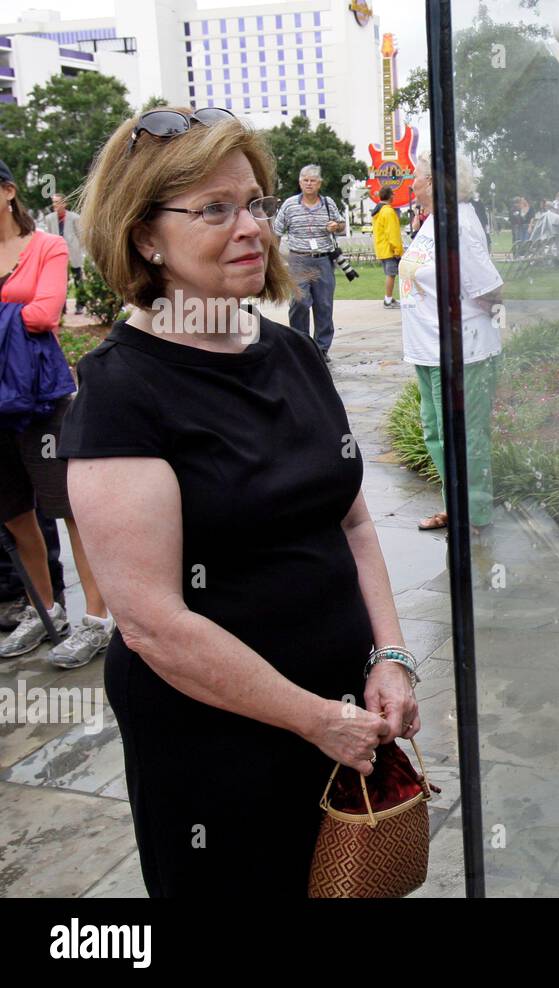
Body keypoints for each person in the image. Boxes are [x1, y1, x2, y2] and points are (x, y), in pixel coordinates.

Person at [65, 106, 418, 897]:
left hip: (339, 714)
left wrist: (391, 658)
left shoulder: (291, 352)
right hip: (216, 740)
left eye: (255, 202)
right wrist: (311, 717)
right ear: (144, 233)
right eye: (215, 209)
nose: (253, 226)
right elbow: (155, 622)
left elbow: (354, 522)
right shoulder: (122, 391)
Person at [0, 158, 112, 668]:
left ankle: (97, 619)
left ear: (8, 192)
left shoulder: (48, 245)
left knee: (70, 510)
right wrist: (12, 311)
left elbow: (45, 313)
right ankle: (44, 610)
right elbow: (26, 312)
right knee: (14, 513)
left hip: (41, 398)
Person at [400, 153, 503, 534]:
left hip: (463, 353)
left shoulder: (459, 222)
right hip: (428, 350)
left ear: (433, 181)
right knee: (436, 433)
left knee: (464, 435)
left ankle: (474, 517)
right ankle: (455, 505)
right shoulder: (434, 221)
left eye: (416, 176)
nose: (411, 182)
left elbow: (491, 289)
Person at [271, 164, 346, 361]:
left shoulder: (328, 203)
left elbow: (341, 226)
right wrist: (273, 258)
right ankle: (300, 345)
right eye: (305, 180)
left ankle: (321, 349)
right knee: (300, 303)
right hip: (299, 259)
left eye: (313, 180)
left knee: (324, 305)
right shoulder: (289, 205)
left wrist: (336, 226)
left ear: (319, 183)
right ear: (300, 182)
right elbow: (277, 232)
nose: (309, 184)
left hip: (323, 259)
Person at [40, 193, 86, 315]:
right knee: (60, 282)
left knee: (78, 280)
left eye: (57, 202)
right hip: (57, 255)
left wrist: (79, 251)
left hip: (73, 254)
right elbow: (47, 236)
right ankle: (62, 307)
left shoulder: (75, 217)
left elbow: (81, 236)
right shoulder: (49, 218)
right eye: (53, 202)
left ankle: (80, 305)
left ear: (64, 203)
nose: (54, 204)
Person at [370, 185, 403, 309]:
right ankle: (388, 300)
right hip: (390, 249)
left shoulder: (377, 211)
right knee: (391, 274)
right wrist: (397, 249)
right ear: (390, 196)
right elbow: (392, 232)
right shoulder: (388, 211)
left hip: (382, 248)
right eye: (393, 194)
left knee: (390, 274)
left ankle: (389, 298)